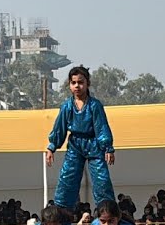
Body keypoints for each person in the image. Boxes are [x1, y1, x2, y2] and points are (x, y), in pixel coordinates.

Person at [45, 66, 116, 211]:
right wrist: (52, 146)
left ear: (87, 83)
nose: (77, 86)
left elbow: (102, 127)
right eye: (73, 82)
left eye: (81, 82)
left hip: (94, 144)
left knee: (101, 180)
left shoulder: (95, 105)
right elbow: (60, 128)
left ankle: (107, 211)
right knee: (67, 178)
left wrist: (108, 148)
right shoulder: (66, 107)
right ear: (70, 85)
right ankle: (61, 211)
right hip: (75, 145)